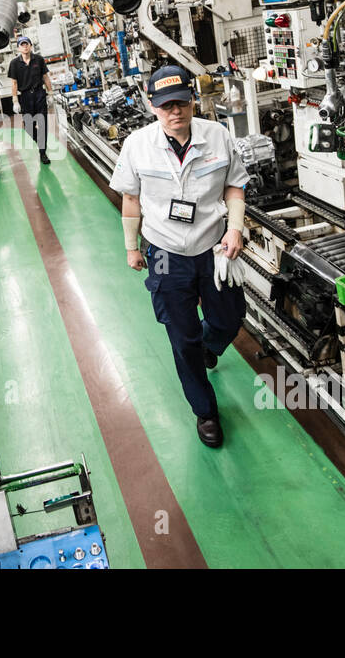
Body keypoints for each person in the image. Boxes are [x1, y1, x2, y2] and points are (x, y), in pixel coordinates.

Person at [108, 65, 249, 448]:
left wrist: (234, 228)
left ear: (192, 101)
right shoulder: (137, 145)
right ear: (153, 107)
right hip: (165, 252)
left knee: (230, 317)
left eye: (181, 103)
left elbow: (235, 186)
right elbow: (131, 199)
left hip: (214, 246)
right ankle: (205, 411)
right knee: (181, 335)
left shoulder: (217, 136)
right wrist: (131, 247)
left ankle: (208, 345)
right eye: (166, 105)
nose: (175, 112)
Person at [7, 34, 52, 165]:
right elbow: (14, 84)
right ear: (18, 48)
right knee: (28, 127)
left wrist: (50, 94)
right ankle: (40, 142)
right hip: (25, 97)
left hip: (39, 94)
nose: (25, 46)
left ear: (31, 46)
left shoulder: (38, 59)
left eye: (27, 44)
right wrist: (15, 101)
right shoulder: (14, 64)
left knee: (42, 124)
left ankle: (42, 153)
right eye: (22, 44)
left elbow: (46, 78)